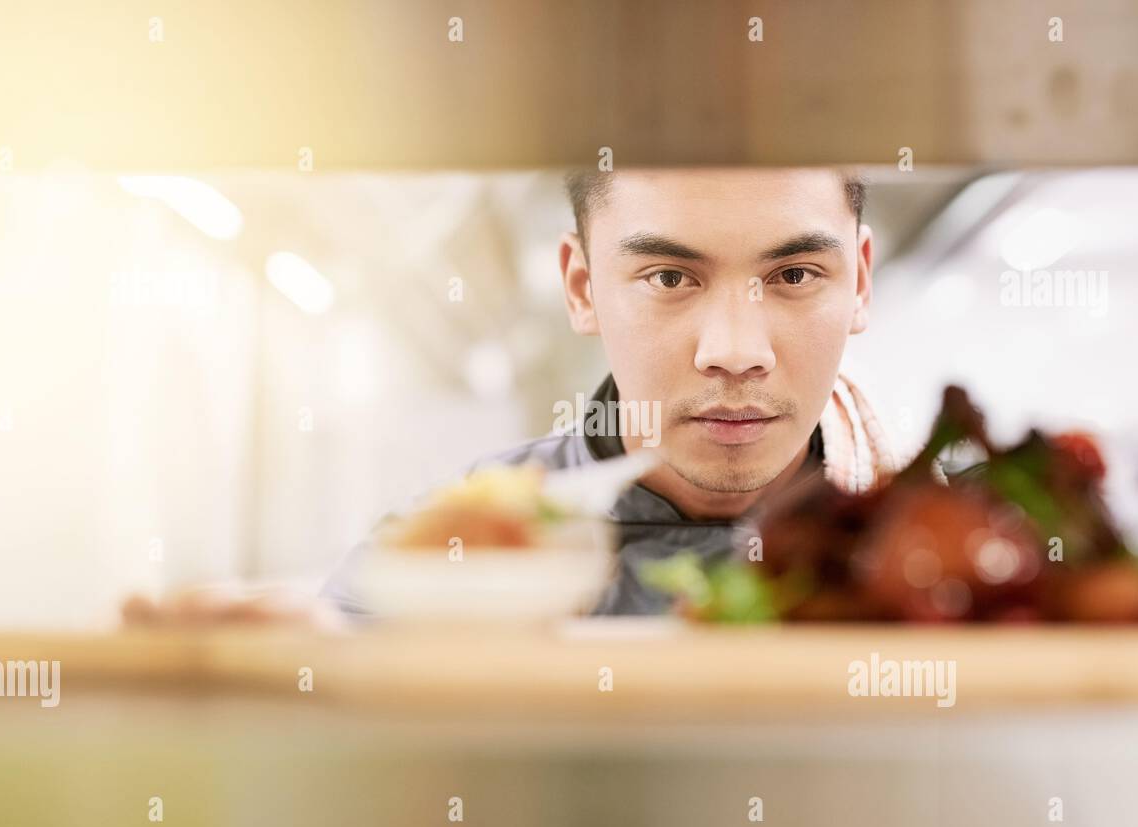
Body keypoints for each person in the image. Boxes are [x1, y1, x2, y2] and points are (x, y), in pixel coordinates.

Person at [321, 167, 890, 617]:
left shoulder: (946, 549)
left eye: (794, 275)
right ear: (581, 288)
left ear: (860, 283)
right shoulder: (454, 551)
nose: (736, 351)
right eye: (669, 278)